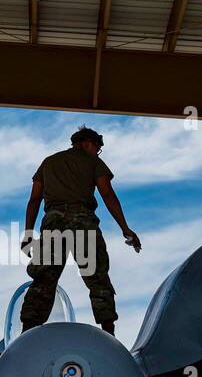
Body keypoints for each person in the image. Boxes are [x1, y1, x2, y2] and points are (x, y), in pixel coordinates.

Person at [19, 126, 140, 335]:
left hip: (53, 223)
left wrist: (28, 233)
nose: (97, 152)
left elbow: (34, 200)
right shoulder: (93, 162)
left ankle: (26, 334)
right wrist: (125, 228)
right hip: (83, 222)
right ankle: (109, 335)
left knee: (44, 279)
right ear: (87, 143)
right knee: (97, 278)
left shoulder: (48, 163)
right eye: (98, 148)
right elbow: (108, 195)